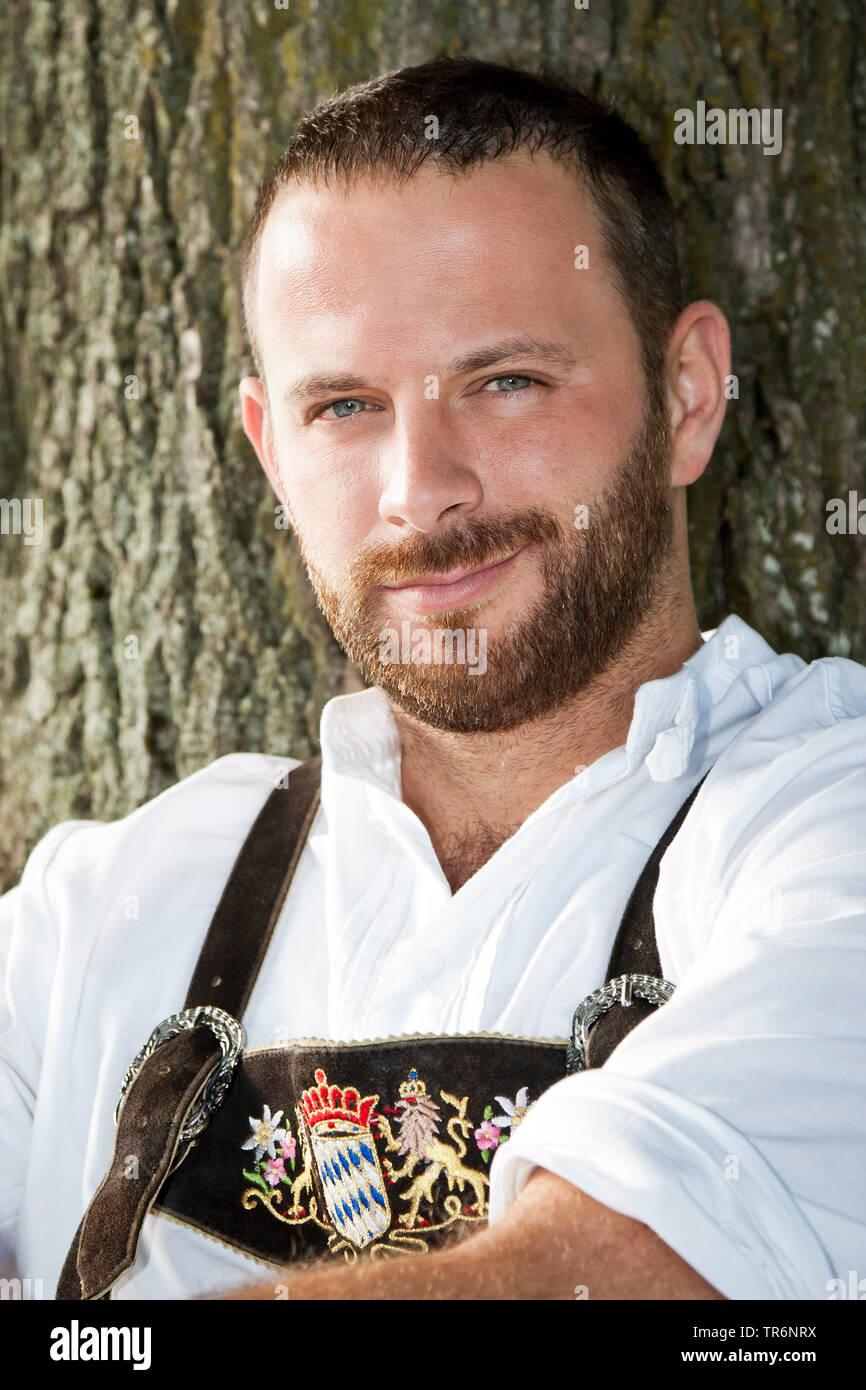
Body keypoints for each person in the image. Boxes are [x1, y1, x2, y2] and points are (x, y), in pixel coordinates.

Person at [2, 55, 865, 1303]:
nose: (422, 487)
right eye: (343, 407)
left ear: (686, 396)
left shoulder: (821, 833)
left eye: (503, 381)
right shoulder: (104, 912)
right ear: (270, 454)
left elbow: (607, 1278)